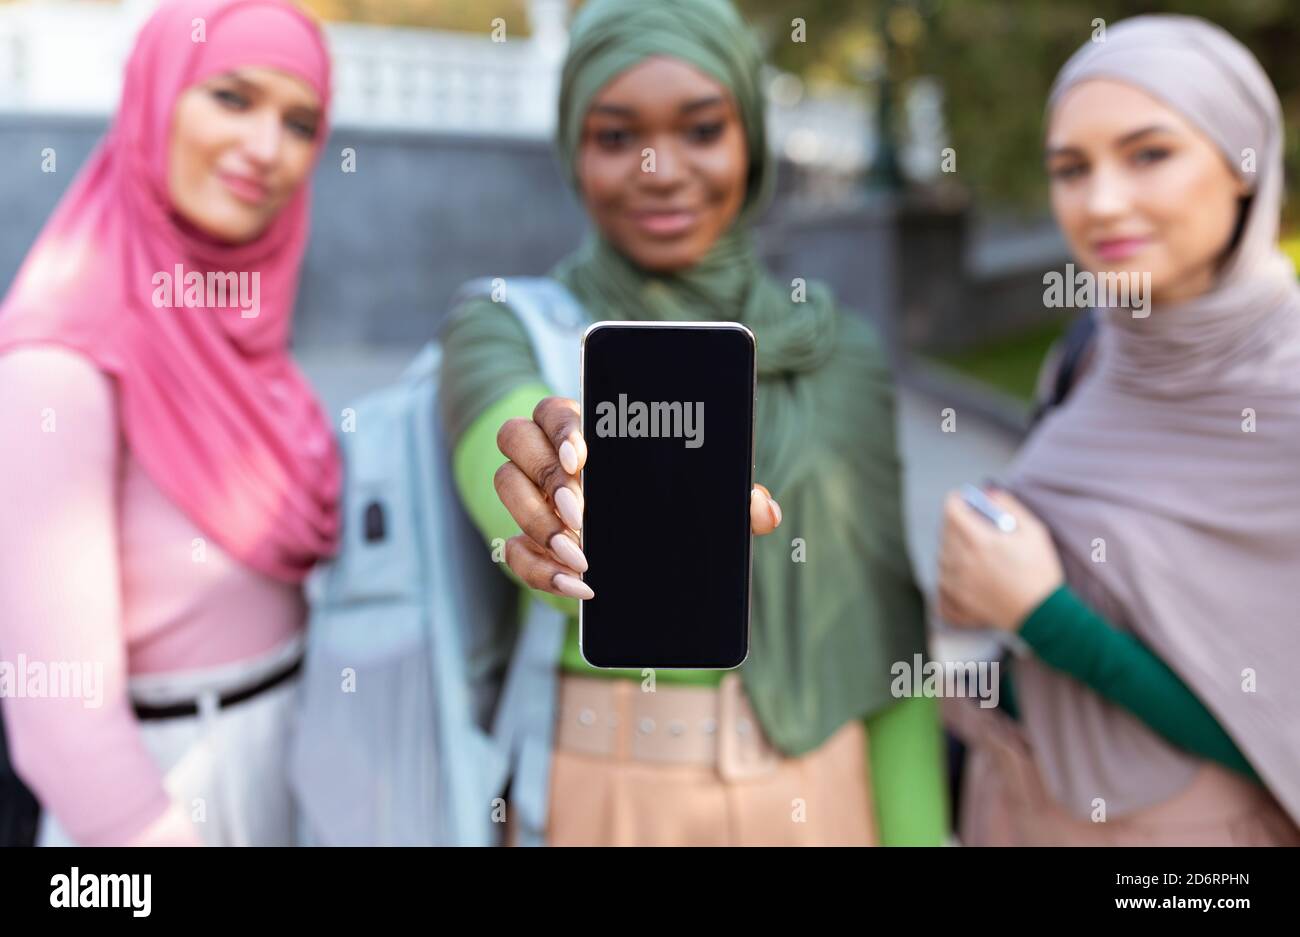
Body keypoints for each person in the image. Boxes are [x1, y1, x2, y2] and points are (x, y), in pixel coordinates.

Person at [440, 0, 948, 846]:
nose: (659, 168)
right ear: (573, 150)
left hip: (823, 790)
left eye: (703, 130)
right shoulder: (501, 327)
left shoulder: (840, 348)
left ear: (750, 137)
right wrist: (568, 490)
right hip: (613, 795)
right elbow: (512, 450)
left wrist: (920, 835)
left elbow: (885, 631)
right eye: (615, 137)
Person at [937, 14, 1300, 846]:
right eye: (1071, 168)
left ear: (1244, 164)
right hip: (1014, 803)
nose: (1100, 202)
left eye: (1149, 154)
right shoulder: (1090, 349)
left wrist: (1042, 612)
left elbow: (1274, 726)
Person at [0, 0, 340, 846]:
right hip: (152, 802)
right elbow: (58, 718)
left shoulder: (239, 331)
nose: (267, 149)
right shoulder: (62, 358)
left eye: (300, 121)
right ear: (155, 100)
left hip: (283, 766)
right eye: (231, 97)